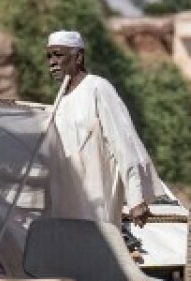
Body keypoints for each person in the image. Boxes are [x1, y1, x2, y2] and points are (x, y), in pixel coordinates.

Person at [42, 30, 161, 230]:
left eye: (58, 54)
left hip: (97, 199)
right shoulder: (60, 101)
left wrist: (136, 198)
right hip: (67, 200)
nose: (52, 62)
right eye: (49, 56)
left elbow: (123, 141)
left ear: (78, 57)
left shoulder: (98, 88)